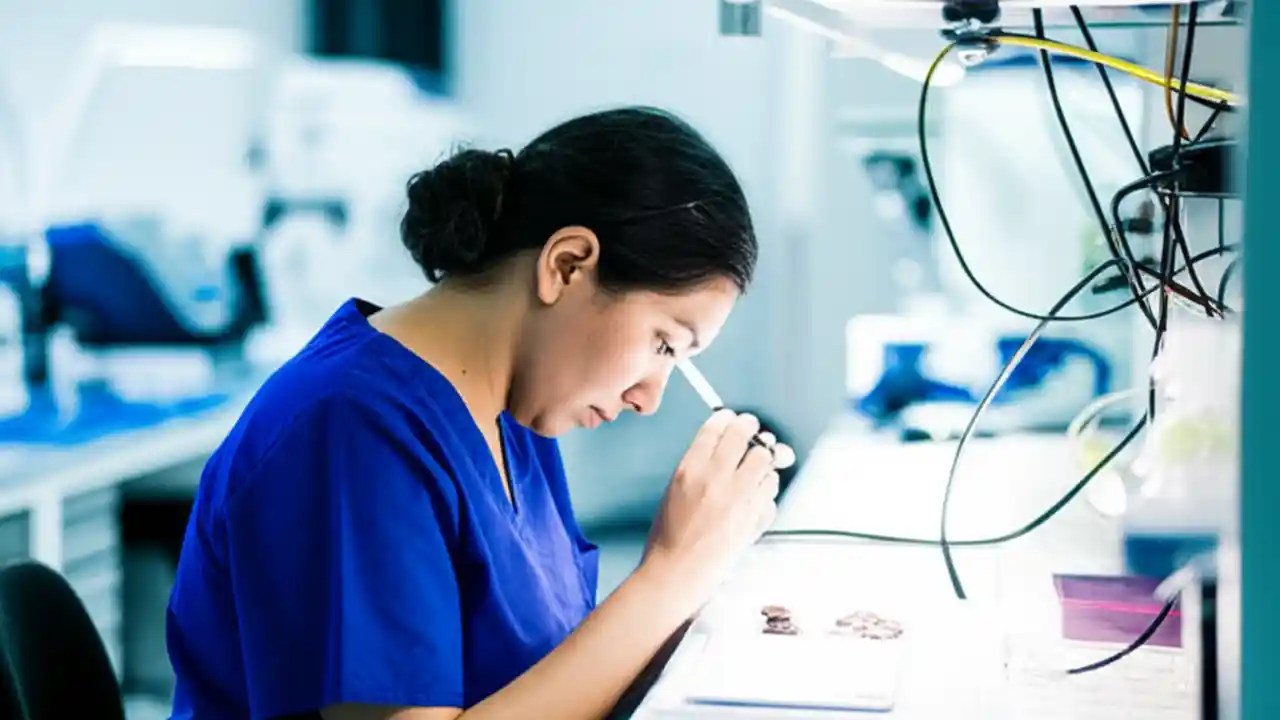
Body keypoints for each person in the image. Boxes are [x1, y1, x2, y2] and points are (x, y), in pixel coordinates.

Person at [165, 106, 793, 720]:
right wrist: (668, 576)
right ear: (566, 265)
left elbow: (554, 674)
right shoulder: (354, 429)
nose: (648, 397)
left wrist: (694, 570)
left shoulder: (512, 414)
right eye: (663, 344)